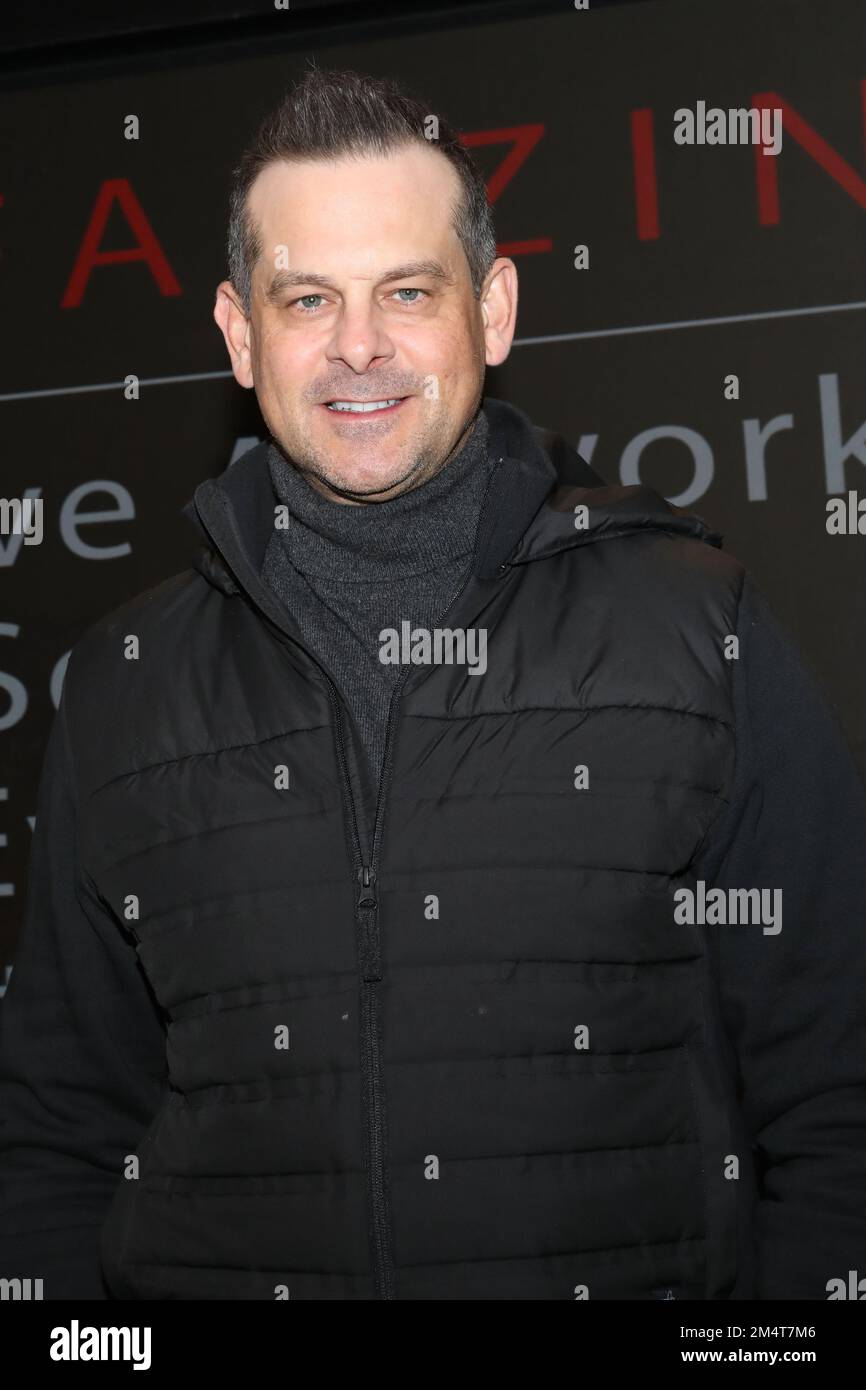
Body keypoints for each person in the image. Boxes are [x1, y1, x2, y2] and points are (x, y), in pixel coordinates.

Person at [1, 63, 865, 1302]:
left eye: (407, 290)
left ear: (493, 311)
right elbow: (57, 1132)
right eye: (308, 300)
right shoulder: (131, 686)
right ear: (241, 336)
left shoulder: (691, 628)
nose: (359, 346)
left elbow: (837, 1094)